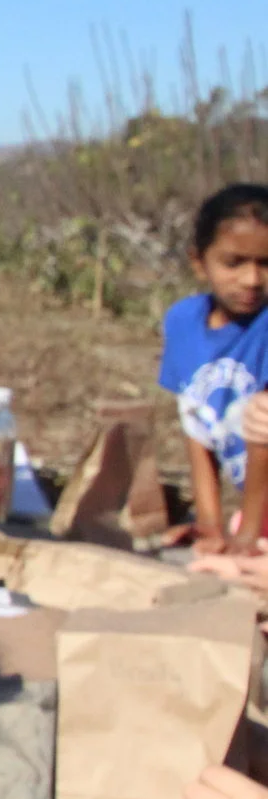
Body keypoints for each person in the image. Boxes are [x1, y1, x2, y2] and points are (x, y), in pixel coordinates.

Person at [158, 184, 268, 553]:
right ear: (199, 261)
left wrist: (247, 537)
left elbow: (263, 435)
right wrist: (209, 524)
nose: (252, 280)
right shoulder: (184, 322)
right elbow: (196, 424)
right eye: (234, 263)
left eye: (266, 264)